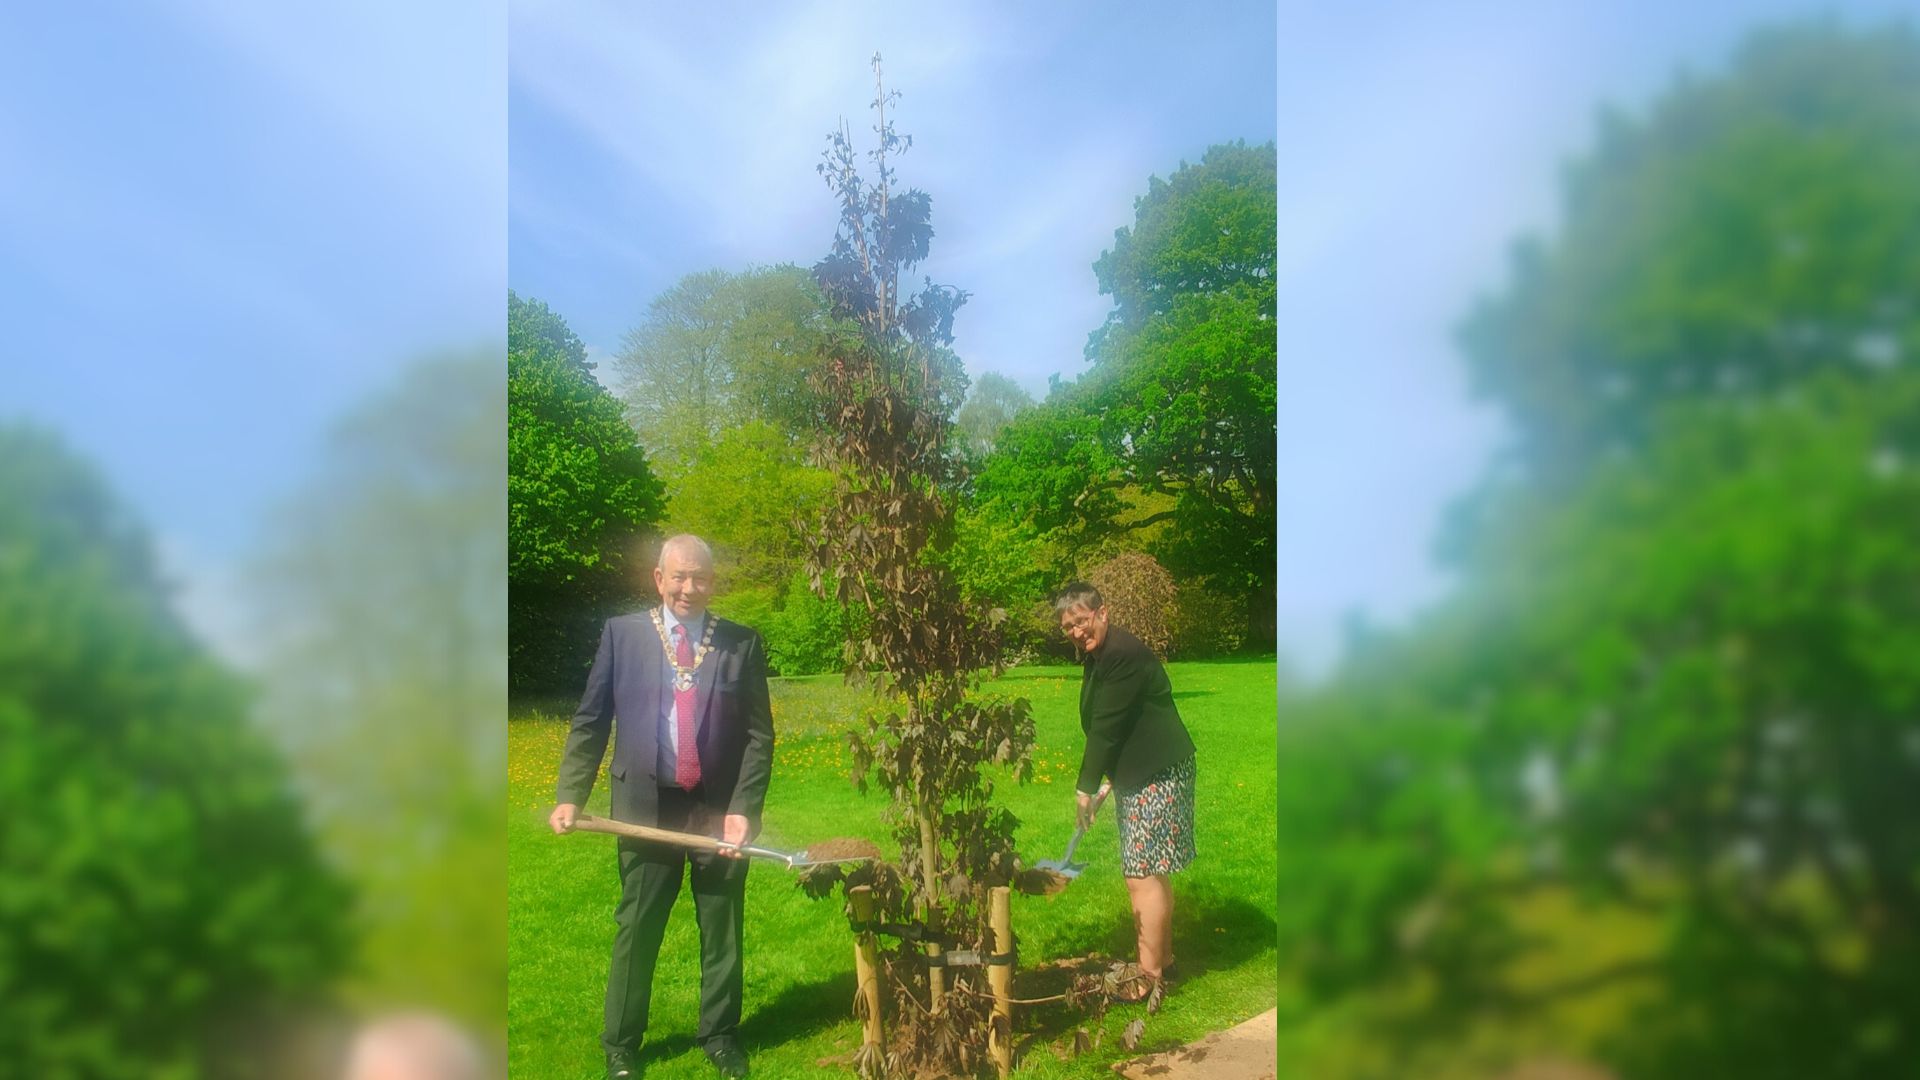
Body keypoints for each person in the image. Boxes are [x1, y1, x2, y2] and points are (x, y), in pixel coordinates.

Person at [549, 534, 774, 1080]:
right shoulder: (621, 635)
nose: (688, 588)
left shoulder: (740, 644)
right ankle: (622, 1046)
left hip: (715, 809)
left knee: (721, 925)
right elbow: (591, 719)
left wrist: (743, 807)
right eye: (678, 576)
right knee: (638, 925)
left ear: (712, 583)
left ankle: (720, 1035)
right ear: (659, 578)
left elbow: (758, 735)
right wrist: (570, 793)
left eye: (700, 577)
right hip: (642, 807)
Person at [1055, 581, 1197, 1001]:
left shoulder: (1120, 654)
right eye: (1068, 627)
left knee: (1142, 874)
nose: (1077, 632)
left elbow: (1107, 727)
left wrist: (1085, 787)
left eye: (1081, 621)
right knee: (1150, 870)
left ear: (1102, 612)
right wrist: (1110, 779)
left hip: (1158, 771)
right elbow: (1124, 720)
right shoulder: (1100, 655)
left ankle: (1148, 978)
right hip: (1143, 766)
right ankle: (1162, 960)